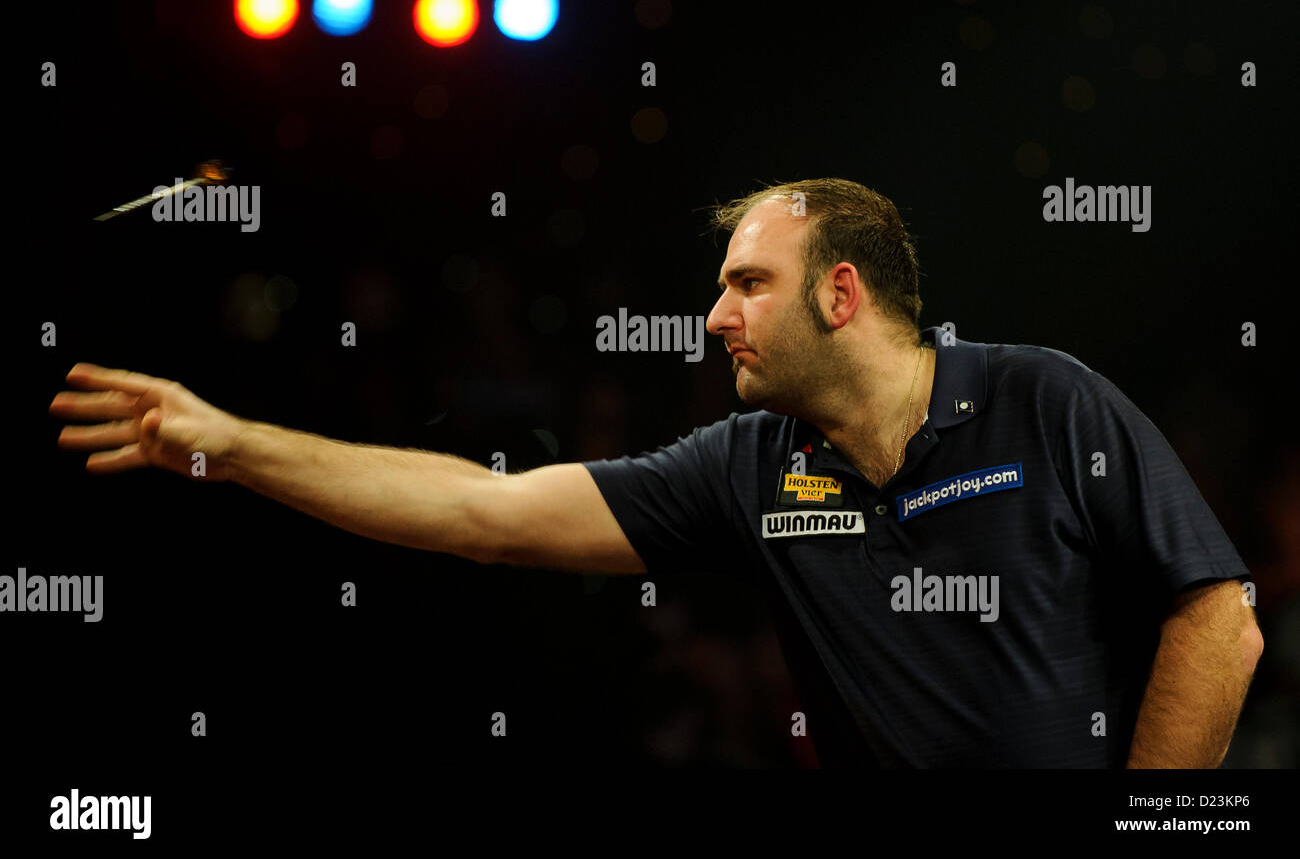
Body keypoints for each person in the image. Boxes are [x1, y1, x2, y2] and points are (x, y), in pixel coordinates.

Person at [49, 177, 1262, 768]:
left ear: (842, 294)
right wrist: (230, 441)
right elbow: (481, 510)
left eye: (747, 285)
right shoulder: (749, 467)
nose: (714, 317)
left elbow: (1220, 621)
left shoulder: (1040, 396)